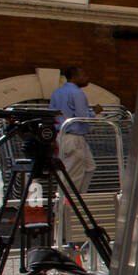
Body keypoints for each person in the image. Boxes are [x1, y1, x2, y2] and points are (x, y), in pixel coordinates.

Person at [49, 65, 103, 194]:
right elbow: (83, 117)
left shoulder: (57, 92)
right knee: (72, 175)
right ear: (74, 76)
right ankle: (67, 207)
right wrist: (94, 112)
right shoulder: (77, 93)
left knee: (89, 167)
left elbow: (51, 115)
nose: (87, 78)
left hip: (62, 135)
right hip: (73, 136)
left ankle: (78, 200)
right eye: (83, 75)